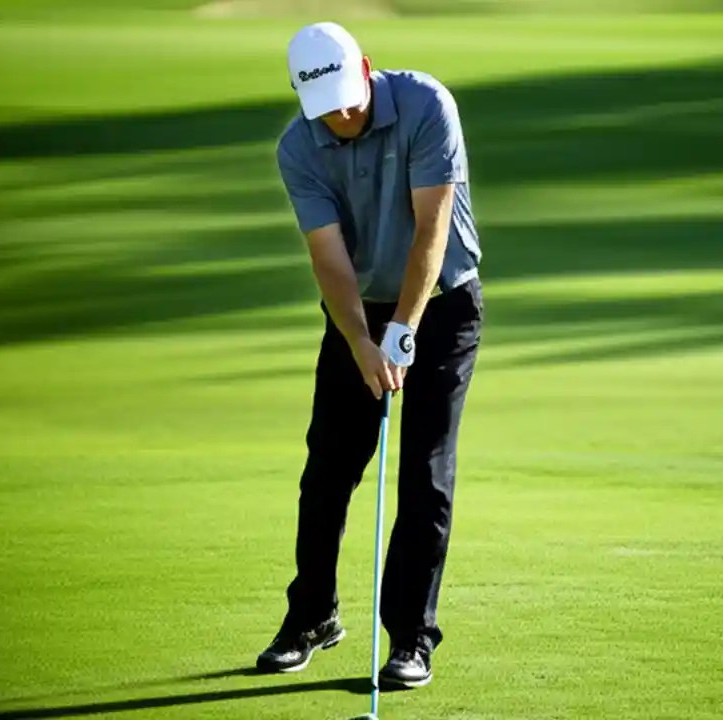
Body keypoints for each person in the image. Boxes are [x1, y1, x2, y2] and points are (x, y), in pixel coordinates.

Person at [256, 21, 484, 690]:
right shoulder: (298, 147)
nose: (343, 117)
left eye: (349, 100)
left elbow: (431, 230)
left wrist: (403, 329)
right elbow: (329, 259)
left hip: (441, 302)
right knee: (327, 470)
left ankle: (411, 638)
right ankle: (312, 616)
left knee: (424, 474)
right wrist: (360, 340)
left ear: (366, 67)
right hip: (357, 309)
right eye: (327, 107)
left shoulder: (426, 105)